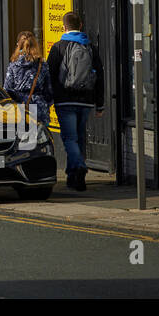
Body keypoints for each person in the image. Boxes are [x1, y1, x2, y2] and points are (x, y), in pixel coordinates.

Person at [47, 11, 104, 192]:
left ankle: (79, 167)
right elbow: (100, 76)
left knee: (69, 139)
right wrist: (100, 103)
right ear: (80, 26)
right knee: (79, 139)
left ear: (64, 27)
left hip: (65, 100)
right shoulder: (91, 48)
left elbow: (49, 76)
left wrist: (49, 99)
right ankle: (74, 177)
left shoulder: (58, 47)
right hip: (86, 101)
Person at [4, 30, 52, 141]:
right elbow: (49, 91)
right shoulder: (42, 65)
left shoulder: (13, 65)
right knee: (41, 142)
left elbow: (7, 89)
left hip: (20, 108)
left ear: (18, 45)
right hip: (39, 107)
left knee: (23, 144)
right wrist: (45, 104)